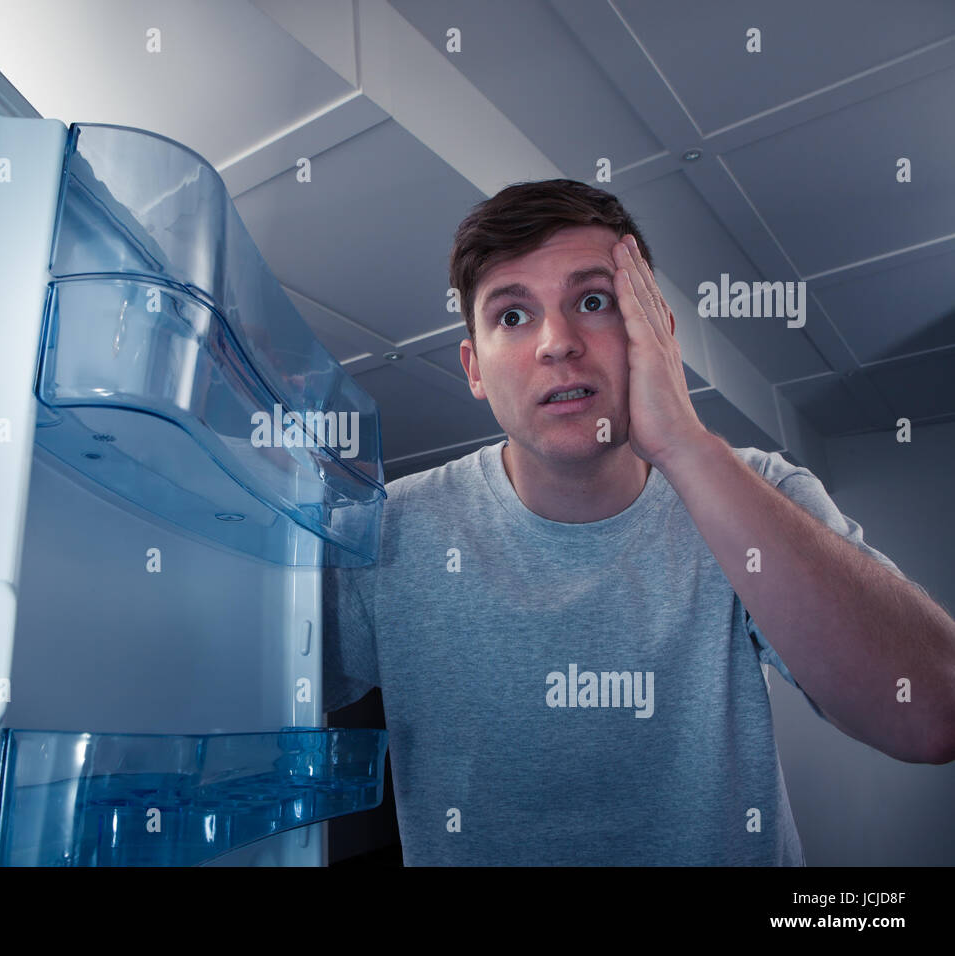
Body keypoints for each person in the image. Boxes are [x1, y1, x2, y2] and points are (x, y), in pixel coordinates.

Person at [322, 179, 955, 865]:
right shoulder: (387, 530)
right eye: (512, 316)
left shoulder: (758, 491)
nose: (557, 342)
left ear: (655, 331)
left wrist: (684, 442)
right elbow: (239, 699)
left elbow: (932, 716)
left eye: (593, 302)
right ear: (474, 369)